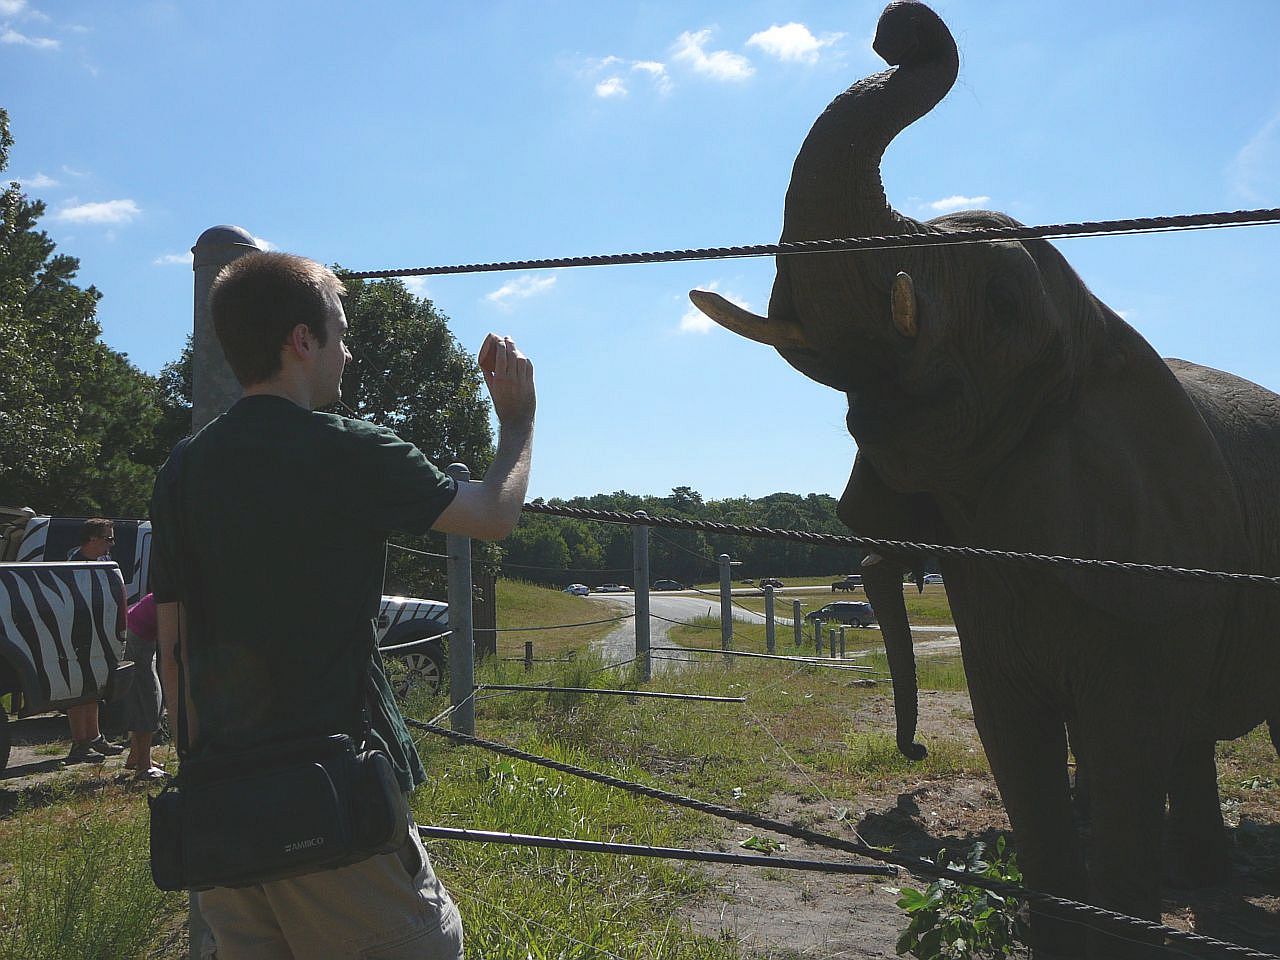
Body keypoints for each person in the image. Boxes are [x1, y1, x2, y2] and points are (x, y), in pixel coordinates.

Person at [150, 251, 535, 960]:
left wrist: (206, 782)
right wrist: (517, 422)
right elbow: (493, 514)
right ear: (302, 340)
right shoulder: (349, 449)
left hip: (222, 814)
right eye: (341, 332)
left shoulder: (181, 470)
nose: (348, 352)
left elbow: (171, 652)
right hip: (328, 798)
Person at [65, 518, 127, 764]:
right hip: (77, 633)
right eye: (108, 538)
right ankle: (80, 744)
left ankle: (95, 737)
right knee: (78, 689)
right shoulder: (72, 564)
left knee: (94, 687)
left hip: (99, 632)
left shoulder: (103, 561)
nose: (112, 544)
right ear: (92, 539)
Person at [123, 592, 165, 779]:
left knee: (146, 697)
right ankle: (143, 765)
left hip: (140, 635)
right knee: (148, 699)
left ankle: (136, 756)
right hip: (137, 638)